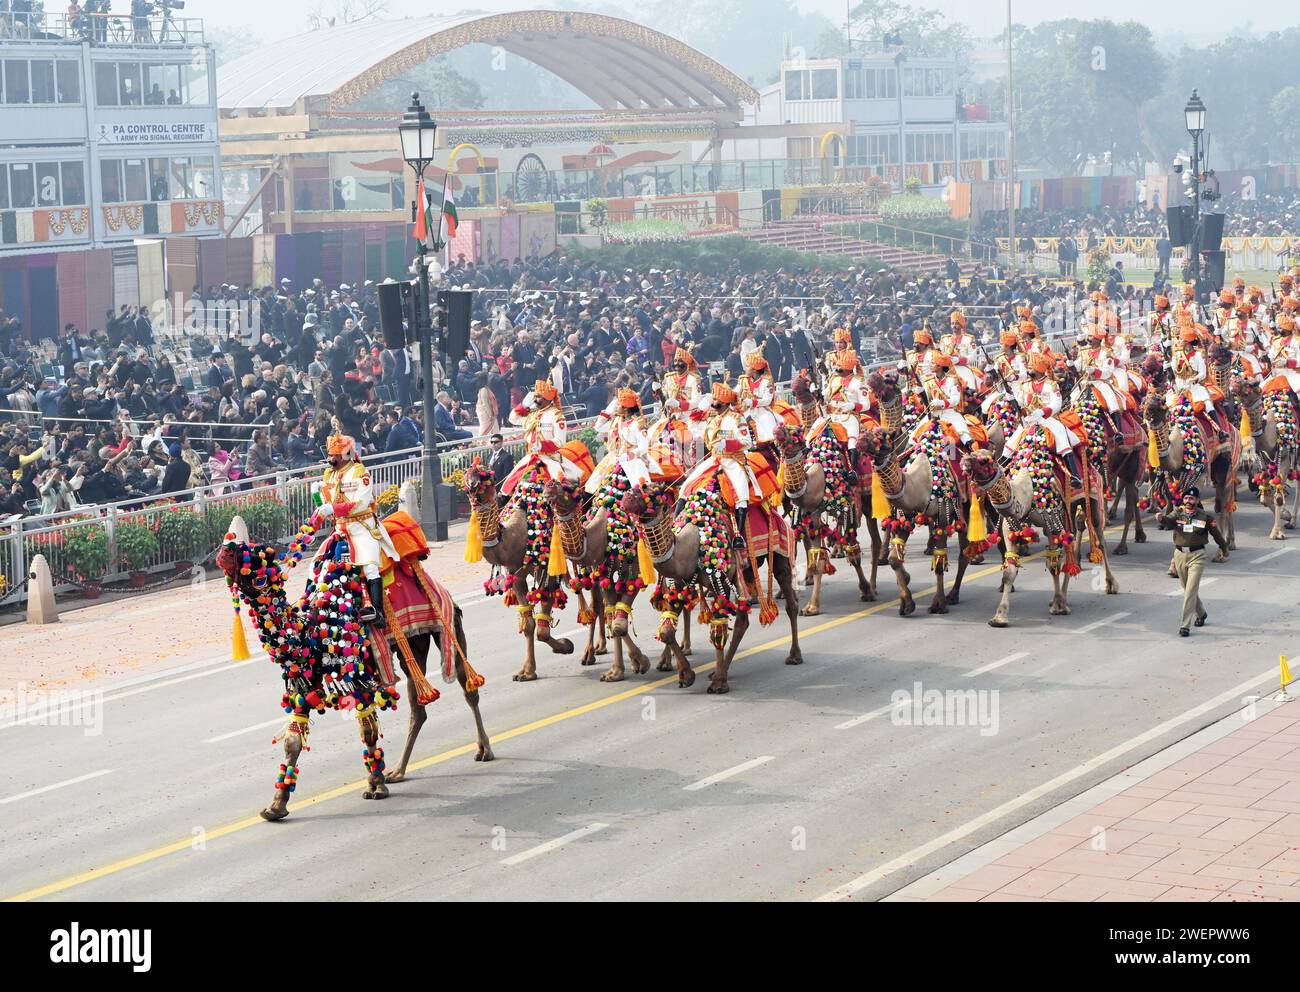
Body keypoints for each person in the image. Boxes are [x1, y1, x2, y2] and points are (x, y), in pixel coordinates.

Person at [311, 432, 400, 628]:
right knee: (317, 565)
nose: (331, 459)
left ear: (346, 454)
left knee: (369, 565)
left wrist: (333, 508)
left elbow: (360, 504)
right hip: (340, 529)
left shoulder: (360, 472)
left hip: (362, 527)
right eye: (330, 454)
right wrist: (318, 497)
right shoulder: (329, 474)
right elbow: (327, 505)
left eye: (335, 455)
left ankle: (378, 611)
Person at [680, 382, 763, 550]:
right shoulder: (713, 418)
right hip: (715, 459)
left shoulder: (737, 419)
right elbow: (703, 435)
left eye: (717, 399)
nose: (714, 401)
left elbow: (747, 442)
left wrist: (727, 443)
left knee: (741, 493)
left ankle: (739, 536)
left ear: (724, 402)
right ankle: (677, 523)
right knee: (686, 486)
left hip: (733, 460)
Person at [1156, 486, 1229, 637]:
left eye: (1191, 499)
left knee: (1190, 591)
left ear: (1197, 500)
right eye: (1186, 498)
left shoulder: (1205, 517)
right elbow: (1168, 521)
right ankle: (1201, 614)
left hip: (1198, 555)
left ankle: (1185, 625)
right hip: (1180, 555)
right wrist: (1161, 518)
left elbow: (1216, 534)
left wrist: (1224, 548)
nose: (1188, 501)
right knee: (1187, 588)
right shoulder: (1178, 513)